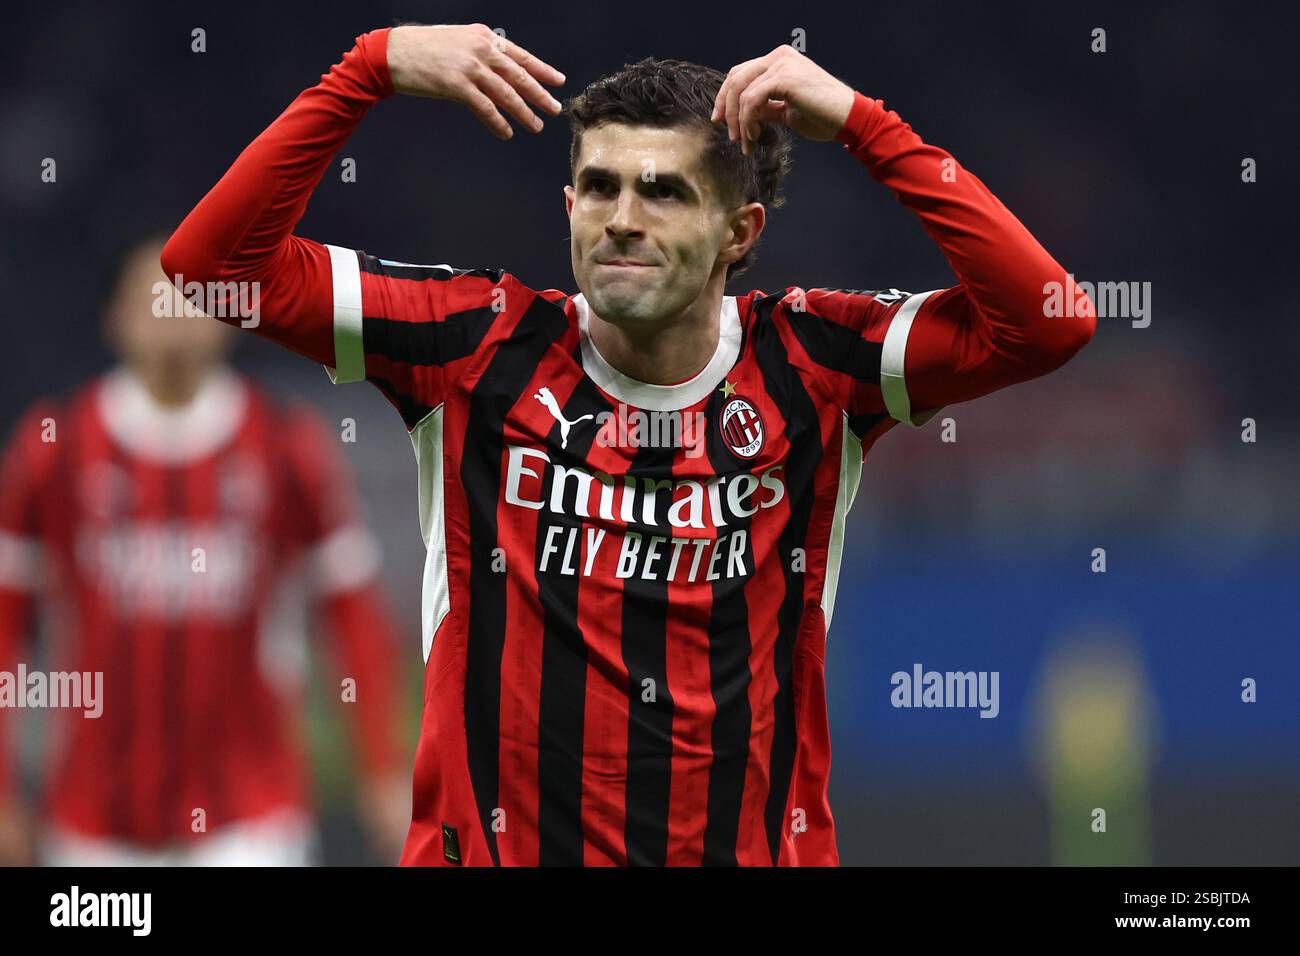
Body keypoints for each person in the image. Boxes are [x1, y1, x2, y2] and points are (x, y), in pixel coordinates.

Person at [160, 23, 1095, 866]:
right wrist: (367, 69)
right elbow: (210, 268)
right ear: (568, 204)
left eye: (662, 191)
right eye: (599, 187)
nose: (621, 218)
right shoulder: (474, 344)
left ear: (740, 231)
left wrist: (863, 123)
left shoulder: (818, 364)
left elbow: (1048, 321)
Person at [0, 237, 411, 866]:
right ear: (113, 318)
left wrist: (381, 771)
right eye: (151, 298)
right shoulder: (52, 450)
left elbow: (352, 616)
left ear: (226, 317)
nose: (171, 317)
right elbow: (5, 627)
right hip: (92, 825)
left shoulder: (285, 448)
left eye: (188, 297)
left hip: (250, 821)